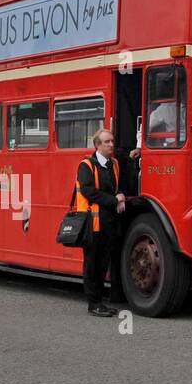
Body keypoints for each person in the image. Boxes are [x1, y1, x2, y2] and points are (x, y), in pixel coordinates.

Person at [75, 129, 126, 317]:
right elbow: (89, 192)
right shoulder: (86, 166)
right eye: (107, 142)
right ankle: (93, 304)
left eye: (112, 141)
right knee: (92, 263)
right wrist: (115, 200)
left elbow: (117, 187)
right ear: (97, 145)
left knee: (103, 263)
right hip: (93, 223)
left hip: (110, 223)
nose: (111, 145)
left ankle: (100, 302)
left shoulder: (114, 164)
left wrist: (121, 197)